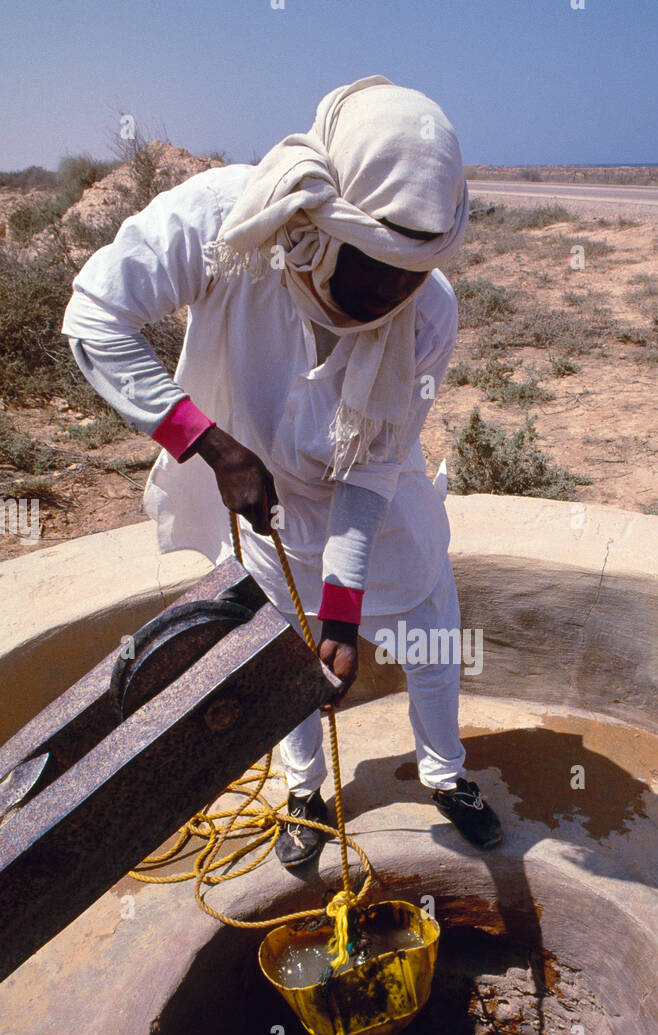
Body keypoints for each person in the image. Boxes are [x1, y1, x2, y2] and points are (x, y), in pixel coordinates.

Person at [61, 74, 502, 865]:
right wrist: (213, 445)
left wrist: (342, 609)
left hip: (385, 518)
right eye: (376, 263)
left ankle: (446, 777)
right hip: (262, 508)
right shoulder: (231, 220)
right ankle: (303, 792)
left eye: (412, 271)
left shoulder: (427, 312)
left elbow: (371, 467)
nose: (390, 294)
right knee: (282, 661)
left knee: (430, 642)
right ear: (317, 223)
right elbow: (96, 318)